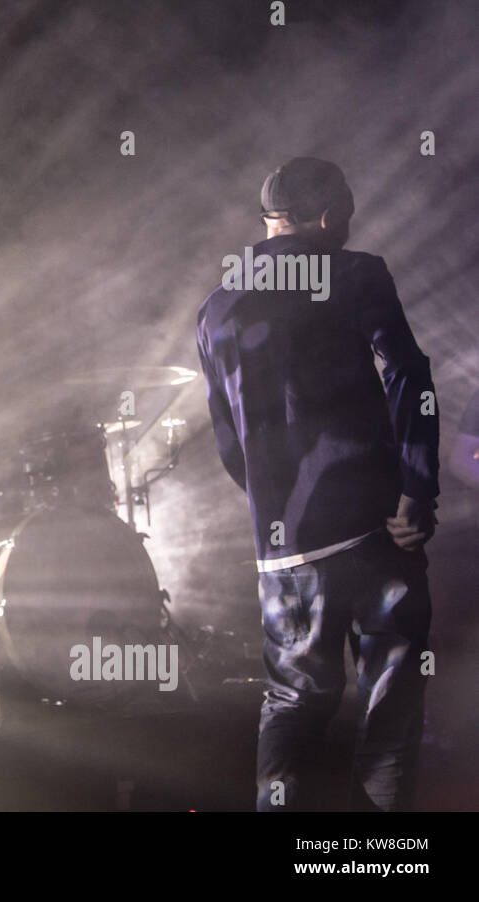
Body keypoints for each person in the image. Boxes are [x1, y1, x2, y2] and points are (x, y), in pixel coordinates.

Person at [196, 157, 439, 811]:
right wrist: (418, 488)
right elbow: (410, 378)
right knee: (389, 707)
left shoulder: (216, 309)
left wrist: (280, 513)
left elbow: (228, 444)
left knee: (290, 707)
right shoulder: (357, 274)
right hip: (374, 531)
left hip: (287, 555)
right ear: (330, 217)